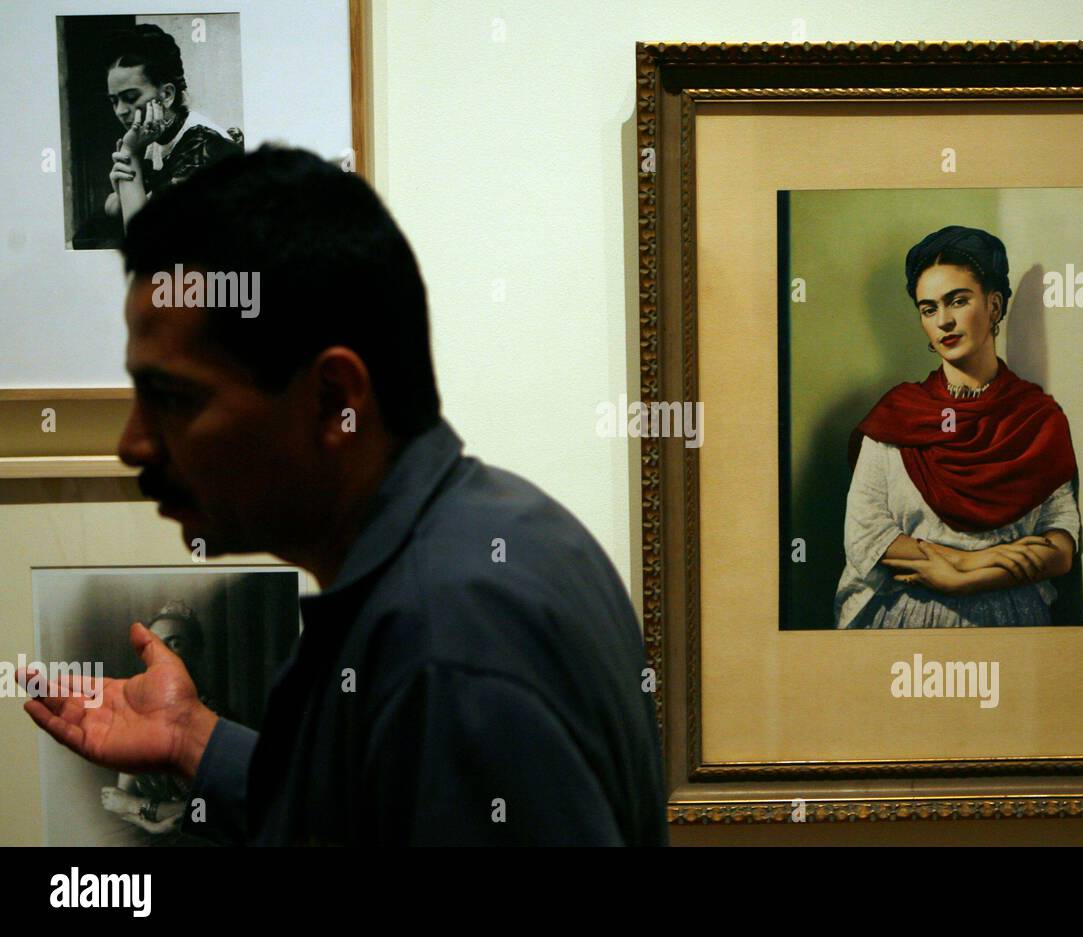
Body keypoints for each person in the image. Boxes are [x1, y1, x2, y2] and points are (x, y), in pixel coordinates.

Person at [21, 145, 667, 846]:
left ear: (334, 400)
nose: (133, 442)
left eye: (173, 397)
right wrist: (189, 738)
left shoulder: (445, 644)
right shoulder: (496, 536)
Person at [834, 225, 1083, 629]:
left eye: (958, 301)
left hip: (1011, 619)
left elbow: (1060, 547)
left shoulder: (1036, 417)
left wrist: (965, 582)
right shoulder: (898, 415)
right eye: (929, 308)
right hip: (905, 621)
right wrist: (974, 559)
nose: (944, 321)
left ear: (995, 306)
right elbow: (866, 537)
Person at [103, 23, 243, 232]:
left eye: (130, 98)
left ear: (167, 95)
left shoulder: (202, 146)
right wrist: (121, 193)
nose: (120, 111)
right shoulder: (152, 140)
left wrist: (130, 155)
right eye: (114, 101)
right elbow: (111, 207)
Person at [100, 601, 218, 844]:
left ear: (196, 652)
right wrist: (153, 826)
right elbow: (117, 800)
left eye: (175, 644)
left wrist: (140, 806)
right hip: (147, 834)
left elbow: (209, 810)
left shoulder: (218, 721)